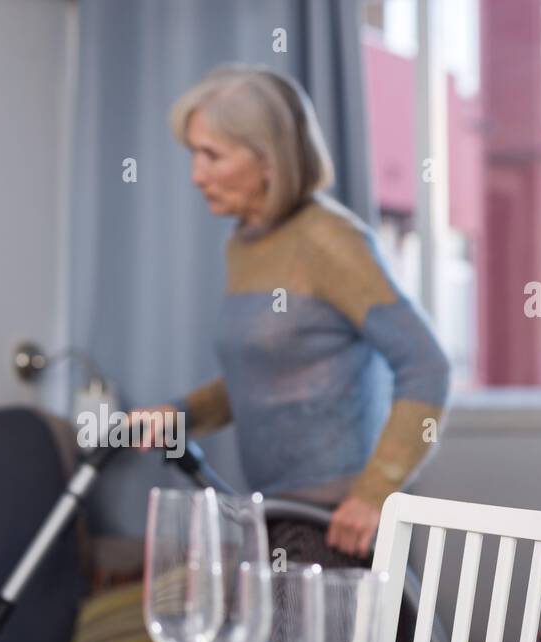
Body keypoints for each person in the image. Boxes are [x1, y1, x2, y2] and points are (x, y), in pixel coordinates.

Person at [130, 64, 452, 568]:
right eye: (194, 154)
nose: (196, 174)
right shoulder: (244, 242)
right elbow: (267, 370)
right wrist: (179, 414)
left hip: (340, 525)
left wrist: (374, 492)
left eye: (211, 154)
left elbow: (427, 366)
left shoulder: (331, 241)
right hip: (278, 514)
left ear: (269, 161)